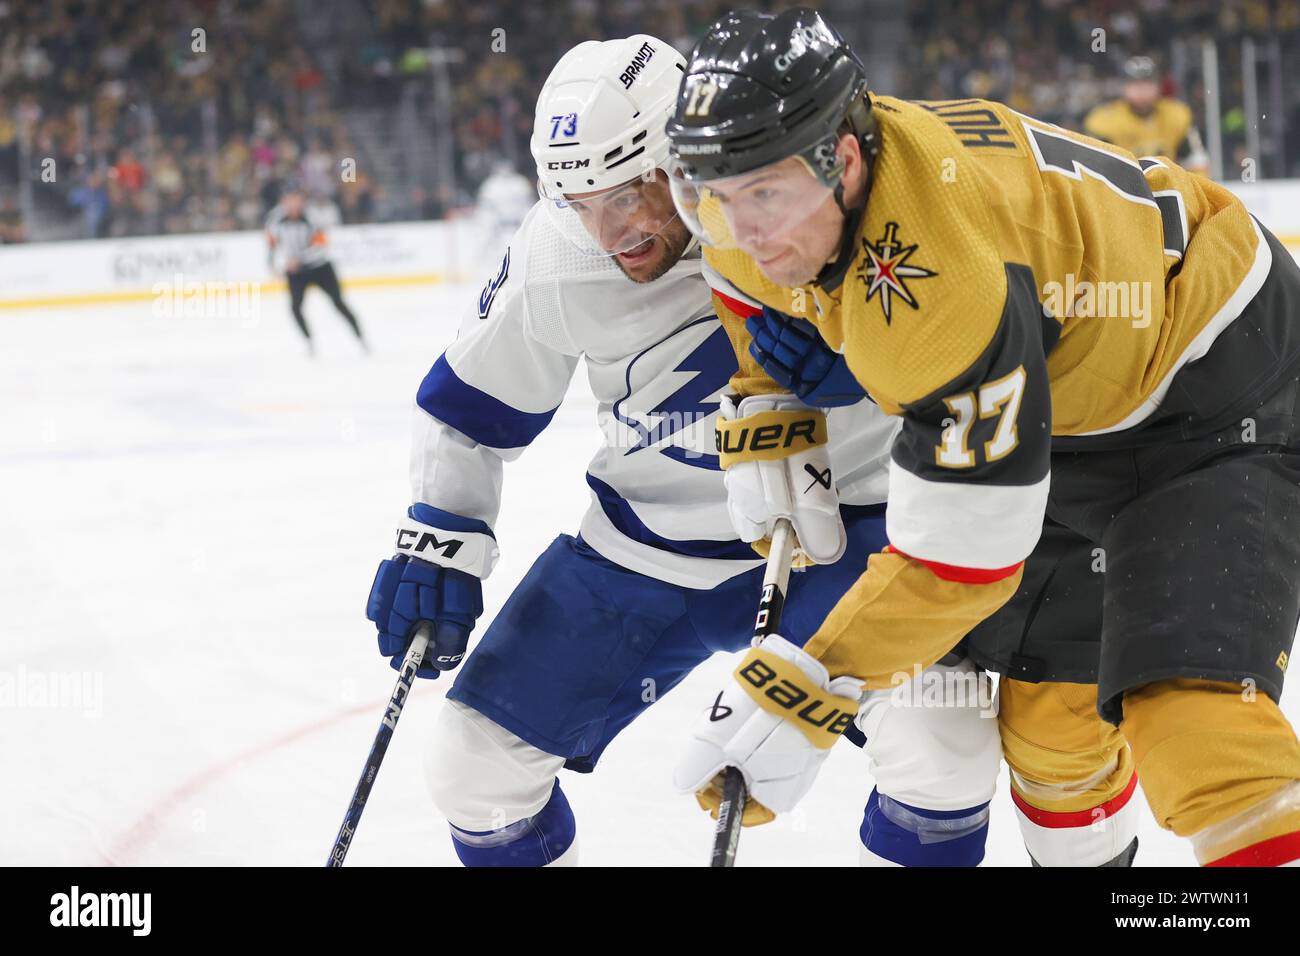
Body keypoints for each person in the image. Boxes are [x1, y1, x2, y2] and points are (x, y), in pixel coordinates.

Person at [665, 7, 1300, 867]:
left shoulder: (942, 283)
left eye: (766, 195)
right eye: (716, 197)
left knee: (1192, 712)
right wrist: (767, 398)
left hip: (1221, 386)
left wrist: (807, 686)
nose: (745, 232)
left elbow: (962, 559)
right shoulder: (759, 207)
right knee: (1053, 730)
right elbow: (737, 276)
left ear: (844, 160)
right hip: (1071, 398)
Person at [363, 35, 1002, 867]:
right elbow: (472, 407)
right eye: (577, 199)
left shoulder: (818, 193)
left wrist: (881, 359)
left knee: (943, 742)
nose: (608, 231)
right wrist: (442, 533)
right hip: (646, 549)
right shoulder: (557, 257)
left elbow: (983, 328)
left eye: (630, 191)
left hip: (841, 533)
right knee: (474, 769)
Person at [264, 185, 367, 355]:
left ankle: (360, 337)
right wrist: (273, 265)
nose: (293, 204)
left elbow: (322, 246)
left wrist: (299, 260)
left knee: (338, 303)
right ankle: (309, 341)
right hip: (295, 272)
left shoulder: (313, 217)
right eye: (289, 200)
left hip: (320, 268)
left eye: (296, 199)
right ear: (284, 201)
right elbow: (271, 244)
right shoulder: (275, 219)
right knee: (295, 307)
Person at [1084, 55, 1208, 174]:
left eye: (1148, 83)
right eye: (1136, 84)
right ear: (1124, 87)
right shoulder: (1103, 120)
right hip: (1121, 190)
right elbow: (1094, 169)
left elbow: (1196, 162)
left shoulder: (1177, 114)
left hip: (1168, 188)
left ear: (1159, 86)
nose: (1142, 90)